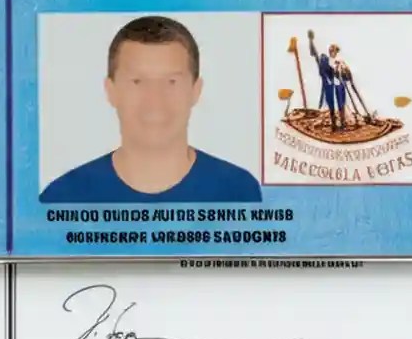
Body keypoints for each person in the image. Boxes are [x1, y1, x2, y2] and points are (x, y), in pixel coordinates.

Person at [40, 15, 262, 203]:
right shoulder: (63, 198)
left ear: (196, 90)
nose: (155, 100)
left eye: (171, 82)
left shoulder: (237, 192)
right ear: (111, 90)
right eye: (138, 81)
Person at [308, 30, 342, 130]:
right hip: (328, 85)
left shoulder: (336, 62)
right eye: (333, 51)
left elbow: (337, 74)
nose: (334, 53)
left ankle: (336, 123)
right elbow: (315, 55)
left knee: (336, 104)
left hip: (334, 85)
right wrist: (311, 40)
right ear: (331, 51)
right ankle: (333, 124)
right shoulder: (324, 58)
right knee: (330, 103)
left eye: (335, 52)